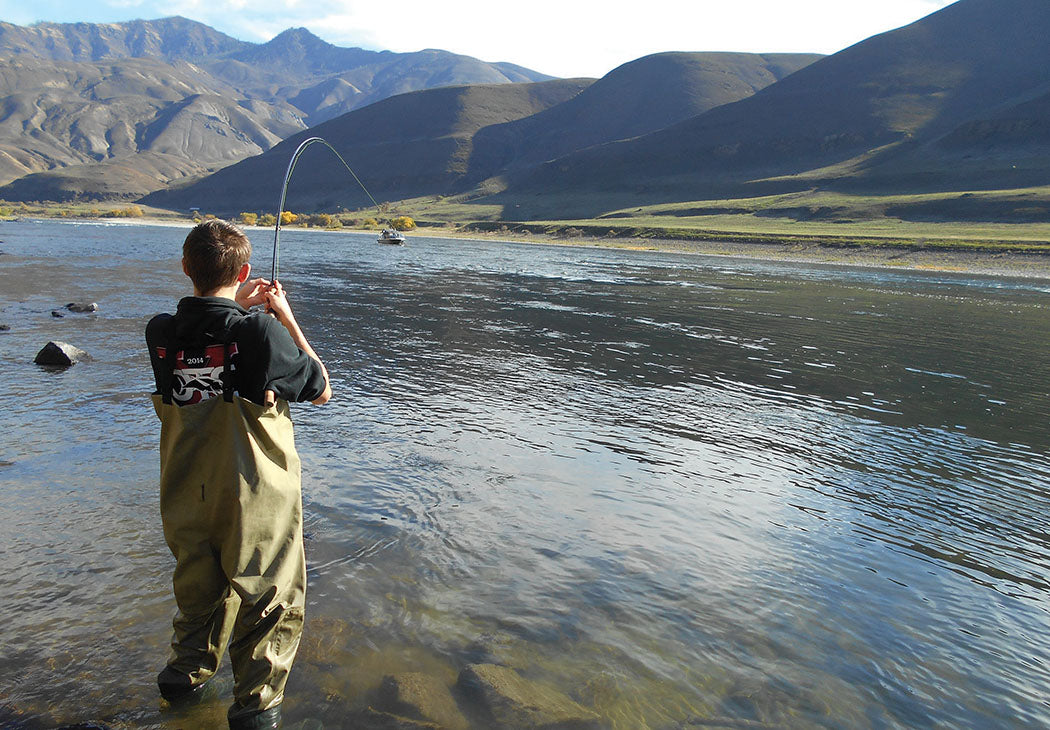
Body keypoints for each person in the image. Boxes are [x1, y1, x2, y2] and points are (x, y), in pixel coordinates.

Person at [145, 219, 331, 730]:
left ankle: (180, 693)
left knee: (197, 600)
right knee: (270, 606)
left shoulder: (161, 332)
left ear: (186, 268)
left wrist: (238, 307)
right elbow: (321, 389)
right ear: (244, 271)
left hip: (185, 493)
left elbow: (207, 337)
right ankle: (255, 714)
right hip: (256, 502)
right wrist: (284, 317)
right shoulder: (260, 333)